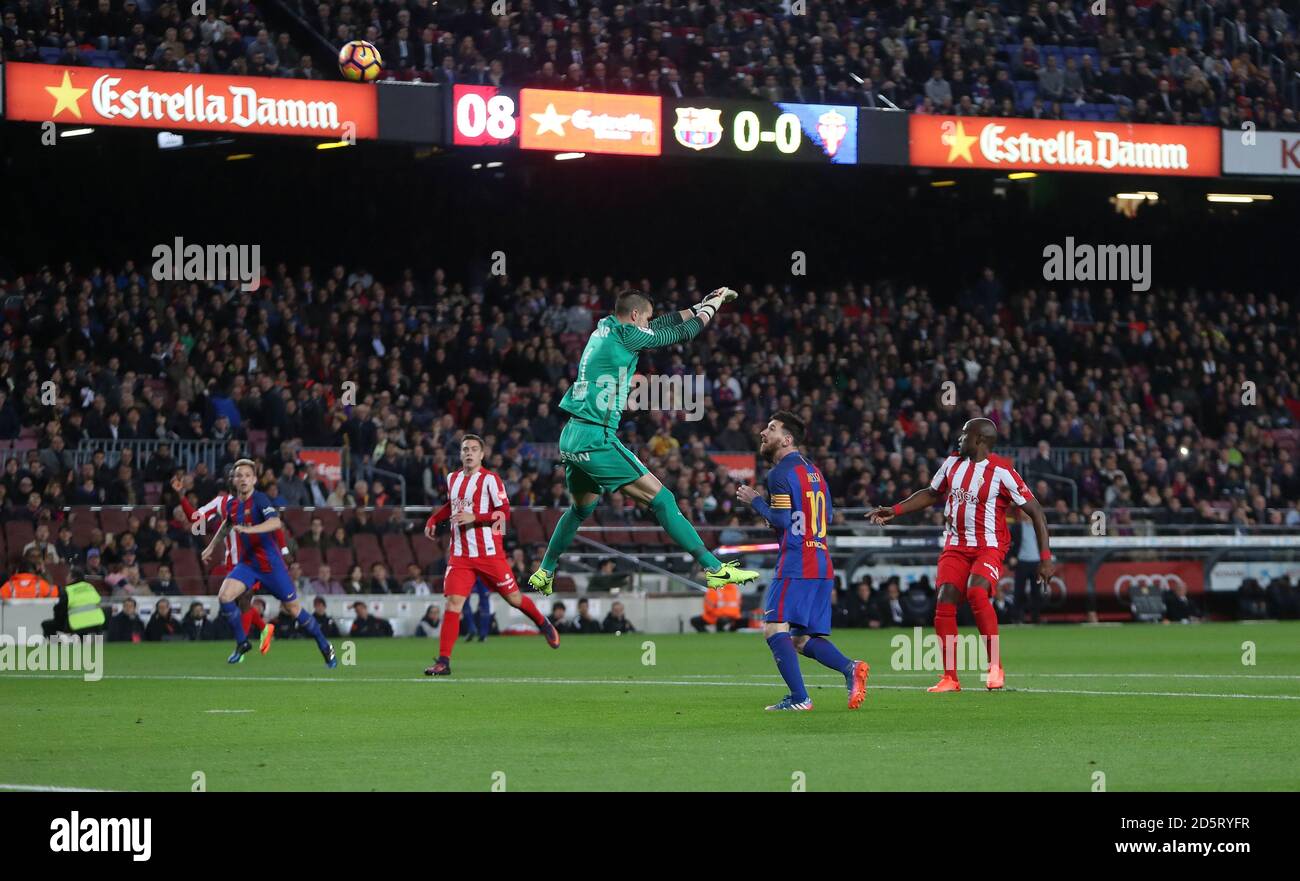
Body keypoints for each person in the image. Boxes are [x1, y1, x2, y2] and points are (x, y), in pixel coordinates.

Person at [527, 288, 757, 596]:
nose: (649, 322)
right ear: (635, 316)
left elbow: (662, 324)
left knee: (581, 509)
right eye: (645, 317)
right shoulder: (628, 336)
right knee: (663, 500)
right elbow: (681, 334)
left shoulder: (607, 327)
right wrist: (711, 307)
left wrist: (696, 304)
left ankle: (545, 570)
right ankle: (714, 568)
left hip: (571, 436)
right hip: (596, 437)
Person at [868, 417, 1055, 692]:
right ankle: (950, 678)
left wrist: (1046, 557)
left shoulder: (1002, 472)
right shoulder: (952, 463)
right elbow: (932, 494)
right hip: (955, 545)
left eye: (965, 434)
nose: (960, 438)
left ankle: (995, 667)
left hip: (988, 546)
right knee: (944, 600)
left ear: (979, 440)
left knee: (977, 593)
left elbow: (1036, 512)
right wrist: (895, 510)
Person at [737, 412, 870, 711]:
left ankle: (800, 698)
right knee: (801, 639)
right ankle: (851, 668)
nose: (762, 432)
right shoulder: (815, 472)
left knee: (774, 629)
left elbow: (783, 519)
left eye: (771, 429)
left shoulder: (779, 473)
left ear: (786, 439)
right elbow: (828, 516)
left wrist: (756, 501)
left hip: (797, 561)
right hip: (821, 560)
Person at [422, 434, 559, 676]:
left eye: (474, 449)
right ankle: (444, 662)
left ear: (482, 454)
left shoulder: (491, 480)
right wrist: (434, 518)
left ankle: (543, 623)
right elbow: (451, 507)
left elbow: (504, 513)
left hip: (489, 554)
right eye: (465, 449)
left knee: (514, 599)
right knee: (453, 604)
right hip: (460, 555)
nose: (469, 453)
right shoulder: (452, 478)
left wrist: (475, 518)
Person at [200, 459, 336, 667]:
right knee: (225, 596)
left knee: (293, 609)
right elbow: (227, 525)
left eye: (247, 475)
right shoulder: (231, 504)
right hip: (248, 564)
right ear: (234, 480)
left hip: (271, 566)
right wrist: (210, 547)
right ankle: (242, 643)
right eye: (239, 475)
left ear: (254, 479)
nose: (243, 479)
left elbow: (275, 522)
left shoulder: (261, 500)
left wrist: (248, 530)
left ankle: (325, 646)